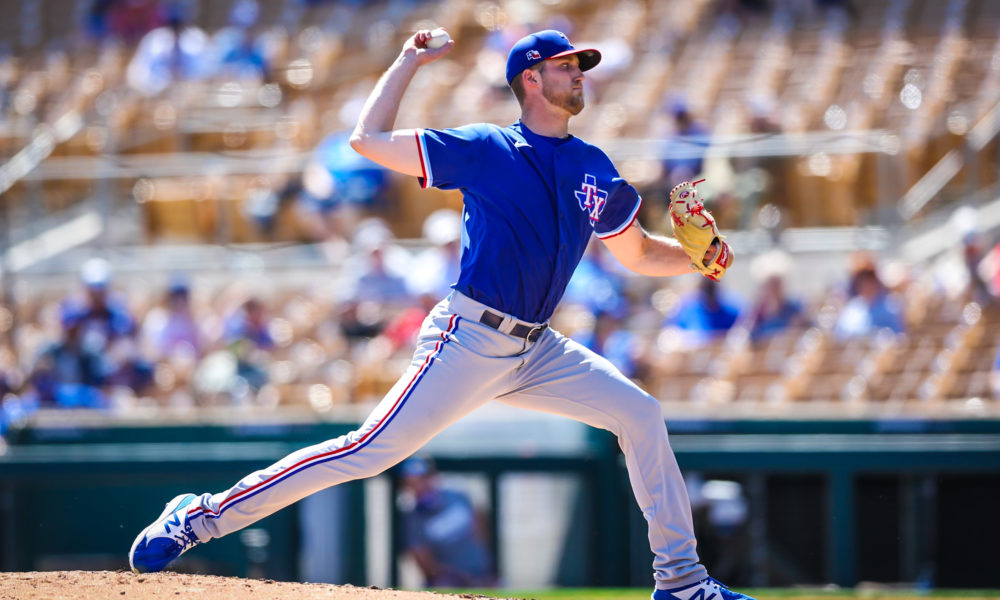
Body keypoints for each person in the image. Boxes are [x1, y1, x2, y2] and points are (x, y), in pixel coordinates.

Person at [128, 29, 751, 600]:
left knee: (640, 414)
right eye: (566, 66)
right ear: (531, 79)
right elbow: (365, 140)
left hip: (538, 349)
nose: (579, 74)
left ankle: (683, 584)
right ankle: (198, 516)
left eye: (580, 66)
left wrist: (700, 258)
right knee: (366, 451)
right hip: (471, 336)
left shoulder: (593, 165)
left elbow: (639, 253)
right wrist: (406, 63)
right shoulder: (486, 148)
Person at [397, 457, 496, 588]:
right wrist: (459, 576)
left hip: (482, 573)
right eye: (412, 482)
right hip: (447, 581)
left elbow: (481, 524)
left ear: (433, 476)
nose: (420, 486)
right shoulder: (413, 517)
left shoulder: (457, 496)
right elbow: (423, 560)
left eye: (423, 478)